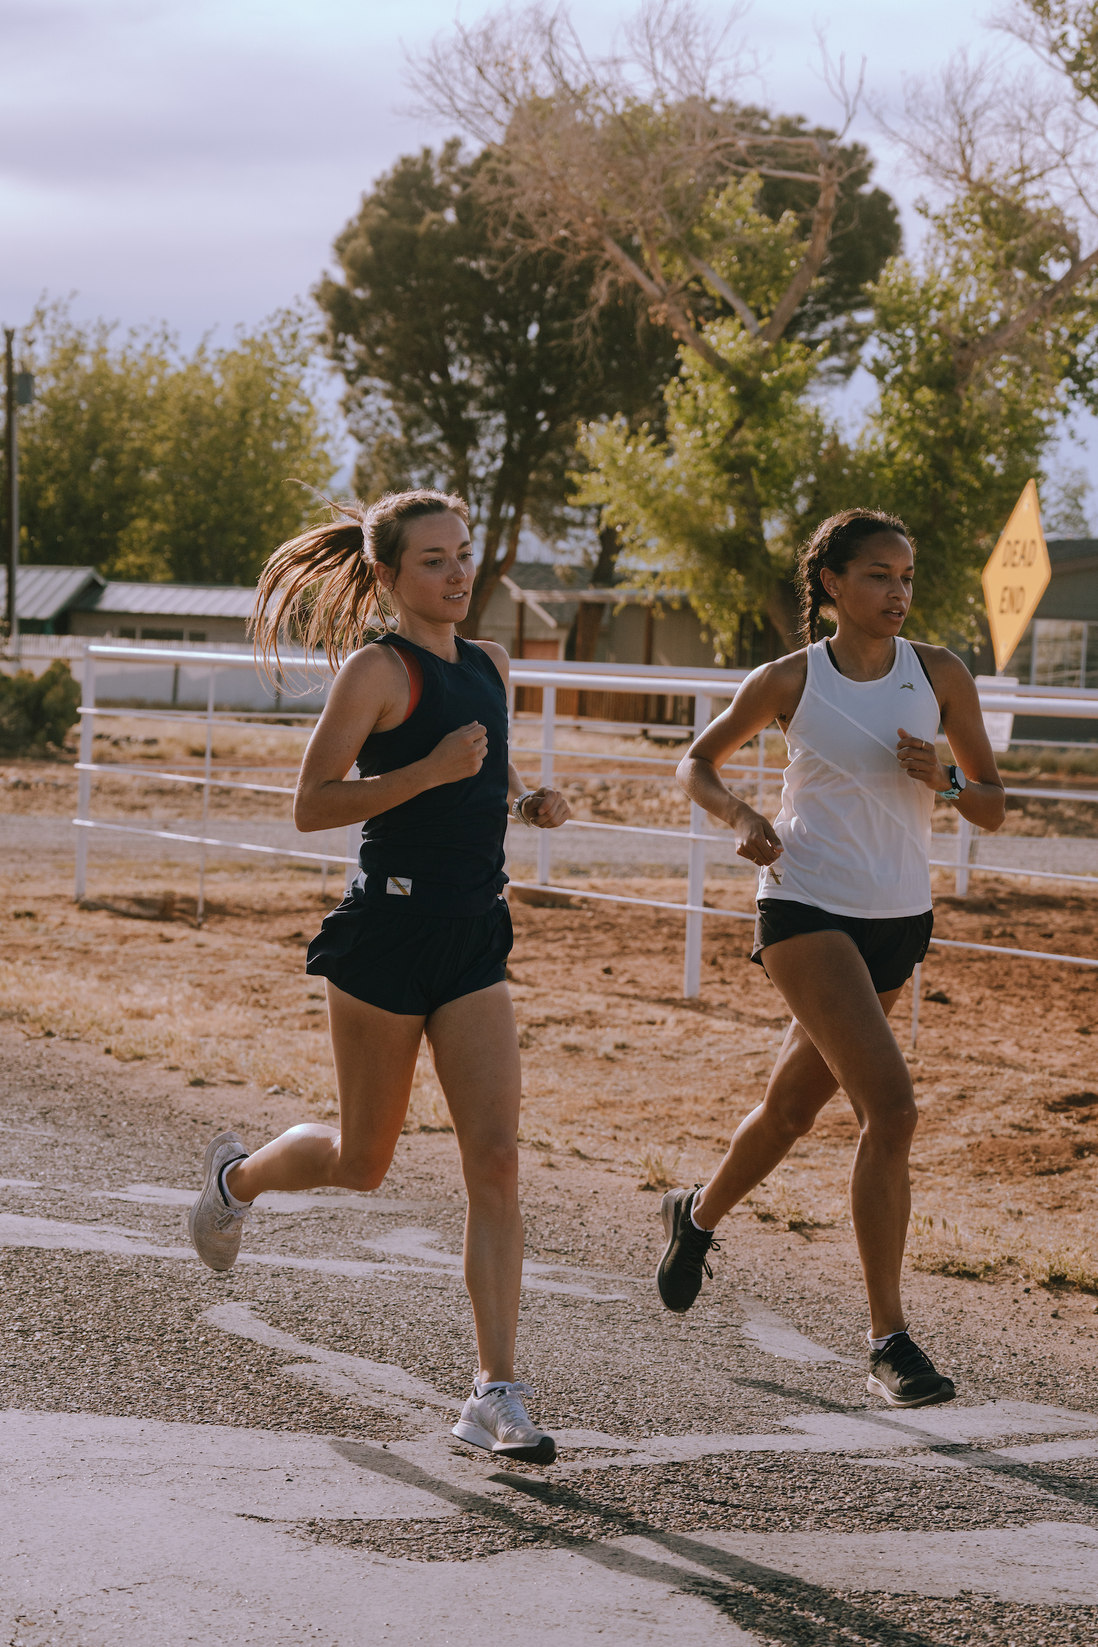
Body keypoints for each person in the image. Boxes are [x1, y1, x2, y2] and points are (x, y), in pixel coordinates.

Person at [187, 488, 569, 1462]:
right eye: (434, 560)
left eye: (463, 553)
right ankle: (236, 1181)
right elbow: (313, 804)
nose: (457, 573)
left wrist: (527, 802)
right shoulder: (376, 671)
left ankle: (495, 1392)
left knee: (496, 1160)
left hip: (475, 935)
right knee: (364, 1161)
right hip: (387, 935)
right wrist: (428, 773)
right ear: (391, 576)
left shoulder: (490, 663)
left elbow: (487, 770)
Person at [657, 508, 1006, 1408]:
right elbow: (697, 762)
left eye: (907, 577)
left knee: (786, 1113)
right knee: (890, 1107)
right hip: (804, 904)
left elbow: (995, 804)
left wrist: (951, 779)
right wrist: (743, 820)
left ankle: (694, 1216)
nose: (898, 592)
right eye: (880, 575)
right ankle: (889, 1340)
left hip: (899, 919)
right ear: (832, 585)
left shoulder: (940, 674)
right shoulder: (789, 679)